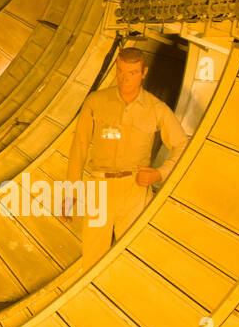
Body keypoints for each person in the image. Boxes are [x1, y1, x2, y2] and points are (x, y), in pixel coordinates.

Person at [65, 47, 190, 267]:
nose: (125, 78)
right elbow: (79, 146)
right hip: (100, 188)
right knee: (93, 258)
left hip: (135, 188)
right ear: (116, 68)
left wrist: (159, 174)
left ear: (144, 73)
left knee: (132, 255)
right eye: (121, 71)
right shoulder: (96, 102)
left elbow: (182, 145)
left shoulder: (155, 109)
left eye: (132, 73)